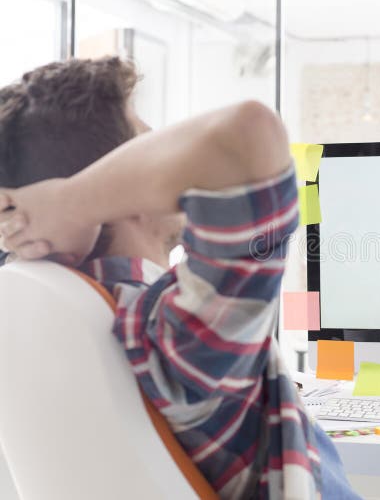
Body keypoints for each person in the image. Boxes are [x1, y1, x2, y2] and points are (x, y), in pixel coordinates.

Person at [0, 57, 360, 500]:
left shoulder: (52, 324)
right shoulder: (173, 333)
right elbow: (249, 134)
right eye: (147, 144)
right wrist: (71, 202)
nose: (168, 164)